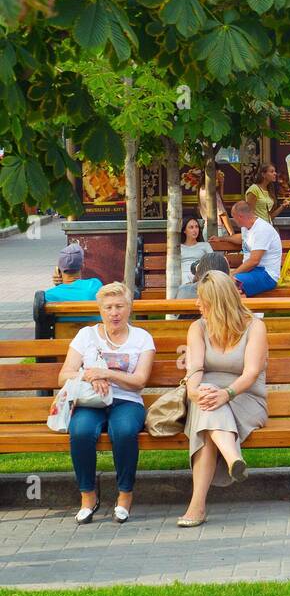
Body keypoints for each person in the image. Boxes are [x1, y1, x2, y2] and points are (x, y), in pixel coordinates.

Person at [56, 282, 155, 524]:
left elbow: (139, 381)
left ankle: (124, 496)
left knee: (123, 431)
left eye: (120, 306)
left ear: (129, 308)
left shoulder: (142, 338)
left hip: (126, 401)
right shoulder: (86, 335)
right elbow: (63, 375)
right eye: (108, 307)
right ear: (100, 310)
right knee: (81, 431)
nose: (114, 313)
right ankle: (88, 497)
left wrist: (108, 374)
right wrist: (89, 374)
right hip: (91, 400)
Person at [177, 271, 269, 527]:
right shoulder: (198, 327)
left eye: (202, 299)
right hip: (207, 396)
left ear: (219, 301)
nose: (197, 304)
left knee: (207, 421)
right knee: (207, 402)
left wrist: (226, 393)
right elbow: (194, 369)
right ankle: (232, 458)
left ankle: (197, 507)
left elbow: (251, 373)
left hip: (246, 398)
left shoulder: (255, 327)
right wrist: (193, 391)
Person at [228, 200, 282, 298]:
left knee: (229, 283)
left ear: (240, 217)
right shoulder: (246, 227)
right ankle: (244, 311)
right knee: (229, 286)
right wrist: (222, 238)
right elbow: (242, 238)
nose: (234, 220)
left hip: (266, 275)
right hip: (252, 272)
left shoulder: (261, 229)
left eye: (234, 217)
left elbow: (254, 261)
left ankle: (241, 311)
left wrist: (231, 274)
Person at [45, 242, 102, 321]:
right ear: (82, 266)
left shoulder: (48, 296)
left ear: (58, 270)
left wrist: (58, 285)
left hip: (62, 333)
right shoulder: (95, 285)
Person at [199, 169, 233, 240]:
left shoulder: (202, 188)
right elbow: (222, 213)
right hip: (218, 229)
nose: (220, 173)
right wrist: (231, 233)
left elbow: (221, 203)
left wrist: (221, 184)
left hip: (208, 227)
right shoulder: (211, 193)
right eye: (218, 171)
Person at [179, 216, 213, 289]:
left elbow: (212, 261)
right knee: (184, 276)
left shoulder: (205, 245)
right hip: (183, 275)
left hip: (200, 274)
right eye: (191, 227)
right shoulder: (178, 247)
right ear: (184, 230)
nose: (195, 230)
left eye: (196, 227)